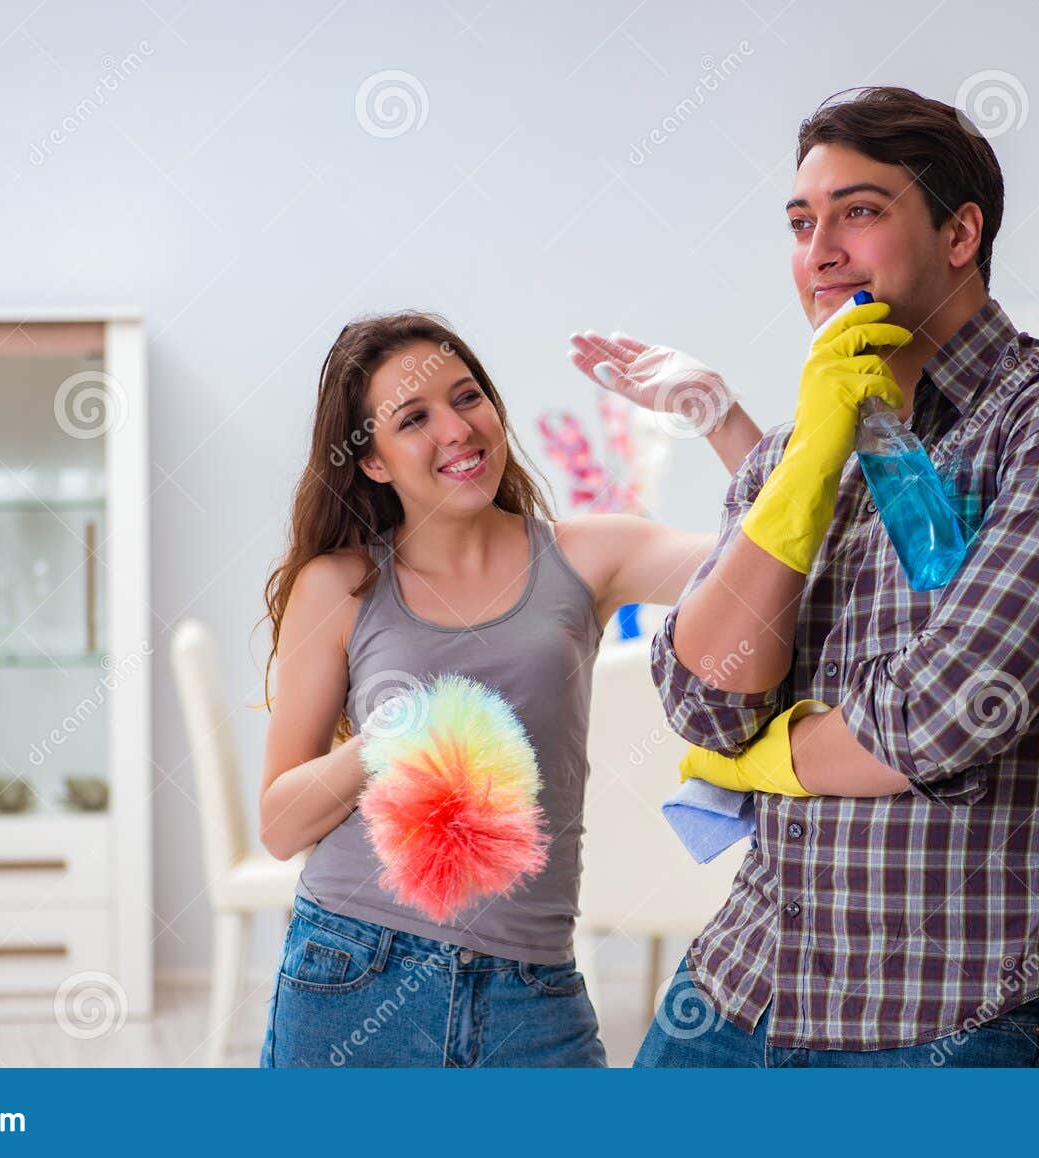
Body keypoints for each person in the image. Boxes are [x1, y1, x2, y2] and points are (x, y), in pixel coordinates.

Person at [584, 86, 1039, 1067]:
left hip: (956, 1007)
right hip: (739, 986)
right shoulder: (791, 451)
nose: (820, 250)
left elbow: (941, 715)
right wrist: (809, 464)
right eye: (800, 223)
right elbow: (704, 702)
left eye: (858, 212)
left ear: (960, 234)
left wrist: (763, 761)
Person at [254, 309, 760, 1066]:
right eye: (414, 419)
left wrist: (719, 416)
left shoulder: (591, 555)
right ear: (373, 462)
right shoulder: (340, 585)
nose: (457, 430)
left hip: (531, 991)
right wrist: (386, 741)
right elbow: (279, 826)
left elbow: (783, 563)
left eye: (467, 398)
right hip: (354, 967)